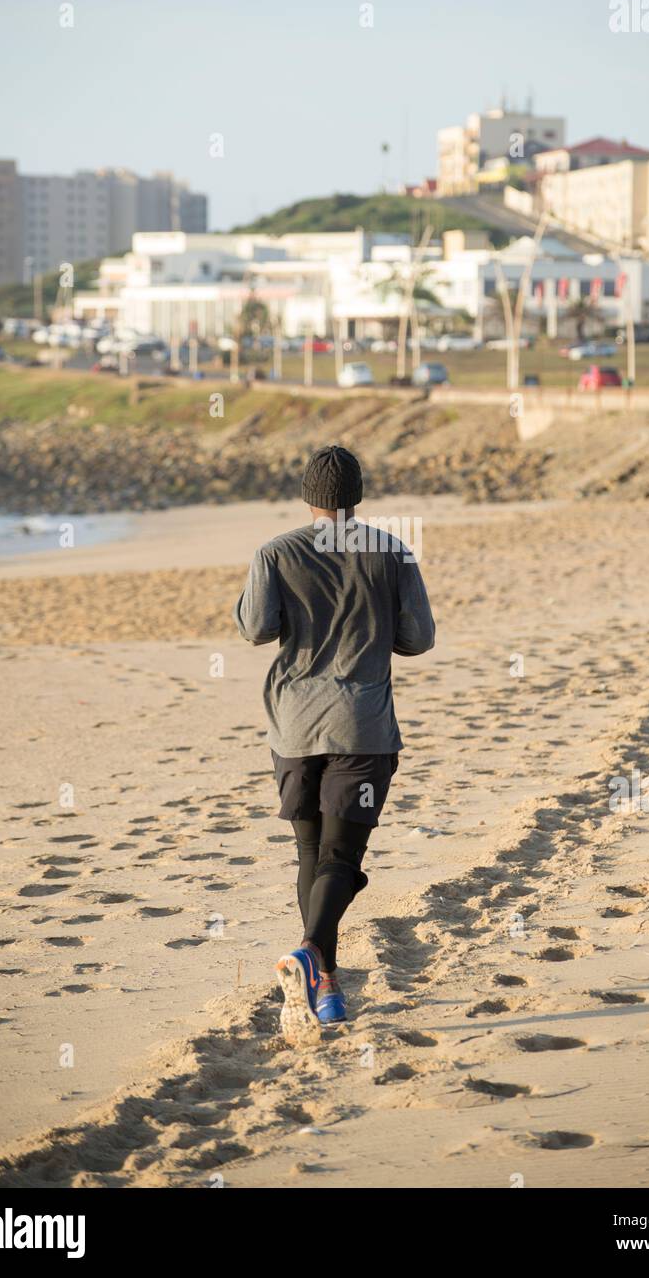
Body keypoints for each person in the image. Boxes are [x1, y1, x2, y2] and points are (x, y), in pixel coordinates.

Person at [234, 445, 435, 1039]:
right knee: (341, 861)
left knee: (311, 856)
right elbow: (418, 639)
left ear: (307, 497)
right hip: (362, 727)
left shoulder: (275, 552)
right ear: (358, 496)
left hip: (293, 727)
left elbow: (254, 628)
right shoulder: (391, 552)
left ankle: (325, 987)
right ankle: (310, 957)